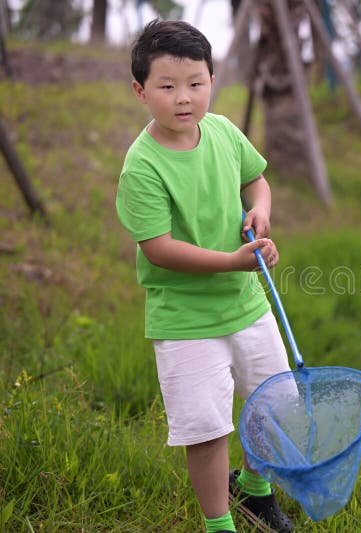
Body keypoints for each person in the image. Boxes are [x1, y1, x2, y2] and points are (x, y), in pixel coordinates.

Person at [116, 19, 294, 533]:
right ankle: (220, 525)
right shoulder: (142, 166)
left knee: (274, 402)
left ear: (212, 80)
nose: (183, 98)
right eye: (167, 87)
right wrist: (235, 261)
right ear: (140, 91)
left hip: (246, 304)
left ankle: (255, 488)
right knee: (207, 428)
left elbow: (255, 180)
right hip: (185, 318)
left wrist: (260, 212)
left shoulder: (222, 132)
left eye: (195, 83)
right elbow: (161, 249)